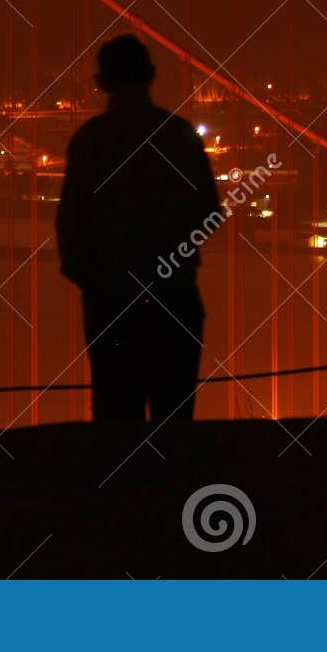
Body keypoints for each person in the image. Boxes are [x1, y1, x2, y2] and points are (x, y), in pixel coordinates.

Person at [56, 34, 221, 423]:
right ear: (151, 75)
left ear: (101, 83)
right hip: (175, 295)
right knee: (174, 418)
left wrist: (92, 275)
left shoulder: (90, 140)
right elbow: (209, 211)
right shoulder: (178, 134)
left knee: (116, 418)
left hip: (109, 300)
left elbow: (71, 219)